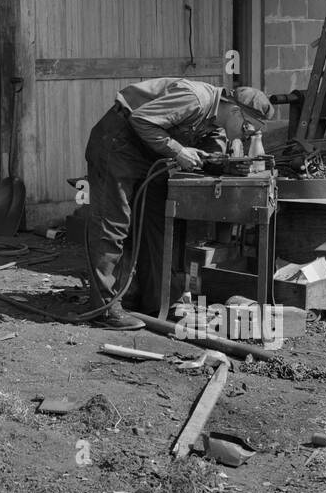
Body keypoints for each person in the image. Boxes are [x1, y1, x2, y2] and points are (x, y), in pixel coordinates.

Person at [83, 78, 274, 330]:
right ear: (236, 111)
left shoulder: (215, 122)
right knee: (113, 224)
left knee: (157, 225)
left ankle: (157, 302)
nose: (246, 136)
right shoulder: (195, 99)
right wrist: (178, 151)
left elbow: (208, 150)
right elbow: (141, 120)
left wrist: (220, 164)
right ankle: (104, 309)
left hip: (149, 153)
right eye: (248, 129)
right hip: (118, 142)